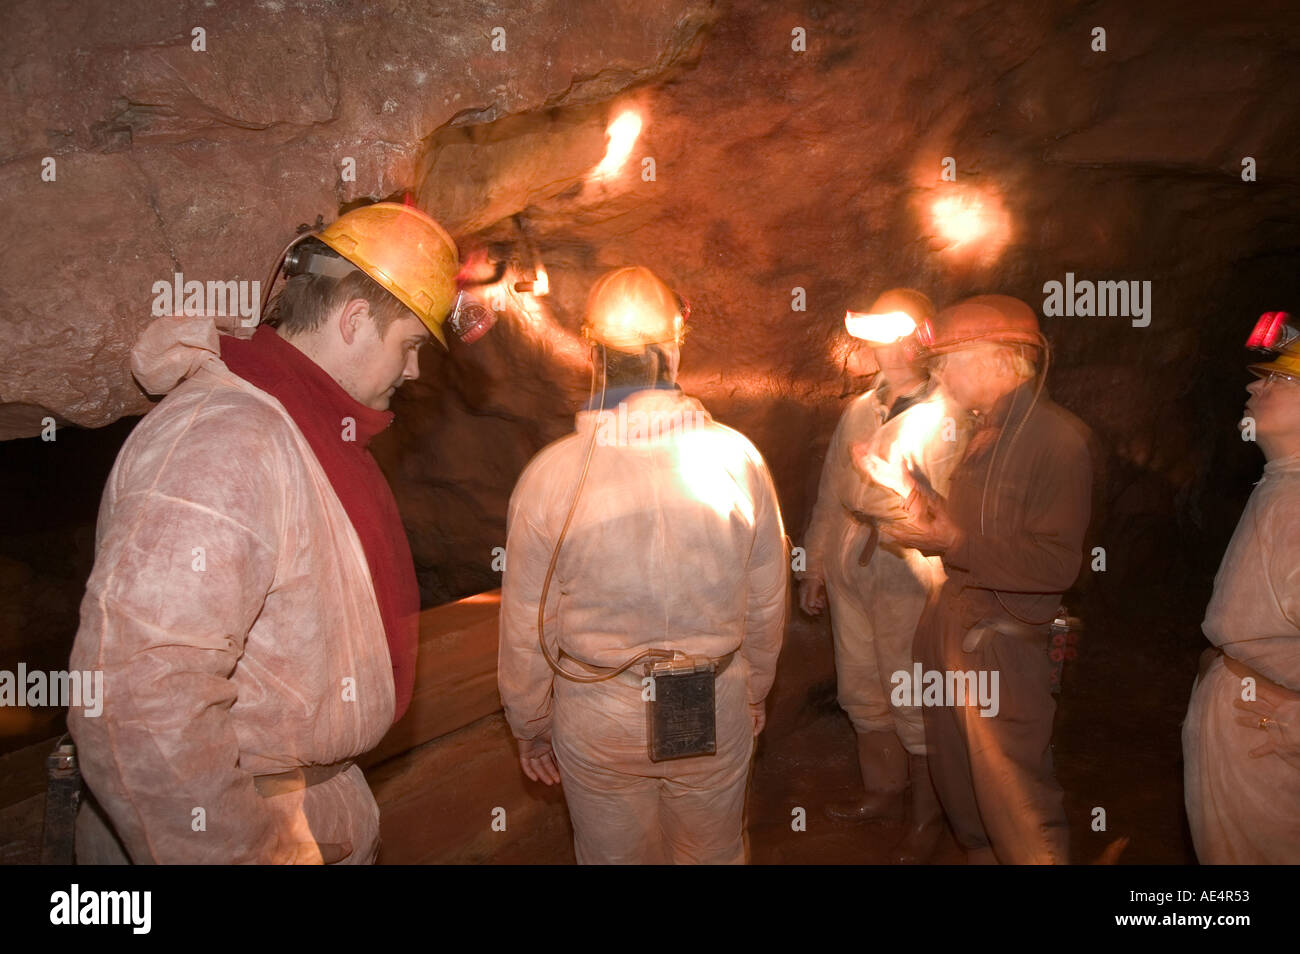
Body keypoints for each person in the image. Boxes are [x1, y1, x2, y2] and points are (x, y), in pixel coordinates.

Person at [67, 202, 470, 864]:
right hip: (239, 831)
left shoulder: (298, 428)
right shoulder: (224, 442)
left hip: (299, 807)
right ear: (355, 319)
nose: (414, 371)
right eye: (411, 344)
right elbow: (138, 701)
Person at [497, 266, 788, 864]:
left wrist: (529, 722)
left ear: (594, 353)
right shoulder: (737, 459)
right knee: (711, 854)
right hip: (711, 694)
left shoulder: (552, 475)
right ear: (673, 347)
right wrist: (754, 688)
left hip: (599, 710)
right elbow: (765, 596)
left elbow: (528, 620)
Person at [885, 295, 1092, 864]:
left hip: (1002, 649)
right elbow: (981, 530)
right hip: (959, 635)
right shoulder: (990, 433)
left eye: (950, 359)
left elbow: (1056, 564)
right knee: (967, 802)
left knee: (1017, 806)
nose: (941, 373)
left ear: (1001, 358)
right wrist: (925, 499)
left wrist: (952, 541)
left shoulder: (1053, 438)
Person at [798, 288, 965, 863]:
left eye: (895, 333)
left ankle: (927, 819)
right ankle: (883, 791)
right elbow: (828, 492)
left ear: (923, 338)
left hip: (910, 561)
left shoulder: (951, 414)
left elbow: (958, 507)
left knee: (912, 690)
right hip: (853, 546)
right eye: (876, 335)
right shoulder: (858, 408)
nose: (883, 347)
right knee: (861, 684)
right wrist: (814, 565)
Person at [1183, 311, 1300, 864]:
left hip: (1267, 745)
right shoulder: (1282, 483)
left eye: (1279, 379)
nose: (1255, 384)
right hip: (1248, 728)